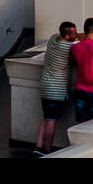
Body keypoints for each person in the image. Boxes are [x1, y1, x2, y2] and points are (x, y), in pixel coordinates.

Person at [33, 21, 79, 156]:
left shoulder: (53, 38)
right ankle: (47, 149)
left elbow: (75, 37)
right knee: (52, 120)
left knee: (45, 118)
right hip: (56, 90)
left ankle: (38, 146)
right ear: (66, 36)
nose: (76, 35)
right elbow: (77, 53)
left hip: (45, 85)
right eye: (73, 33)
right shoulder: (67, 47)